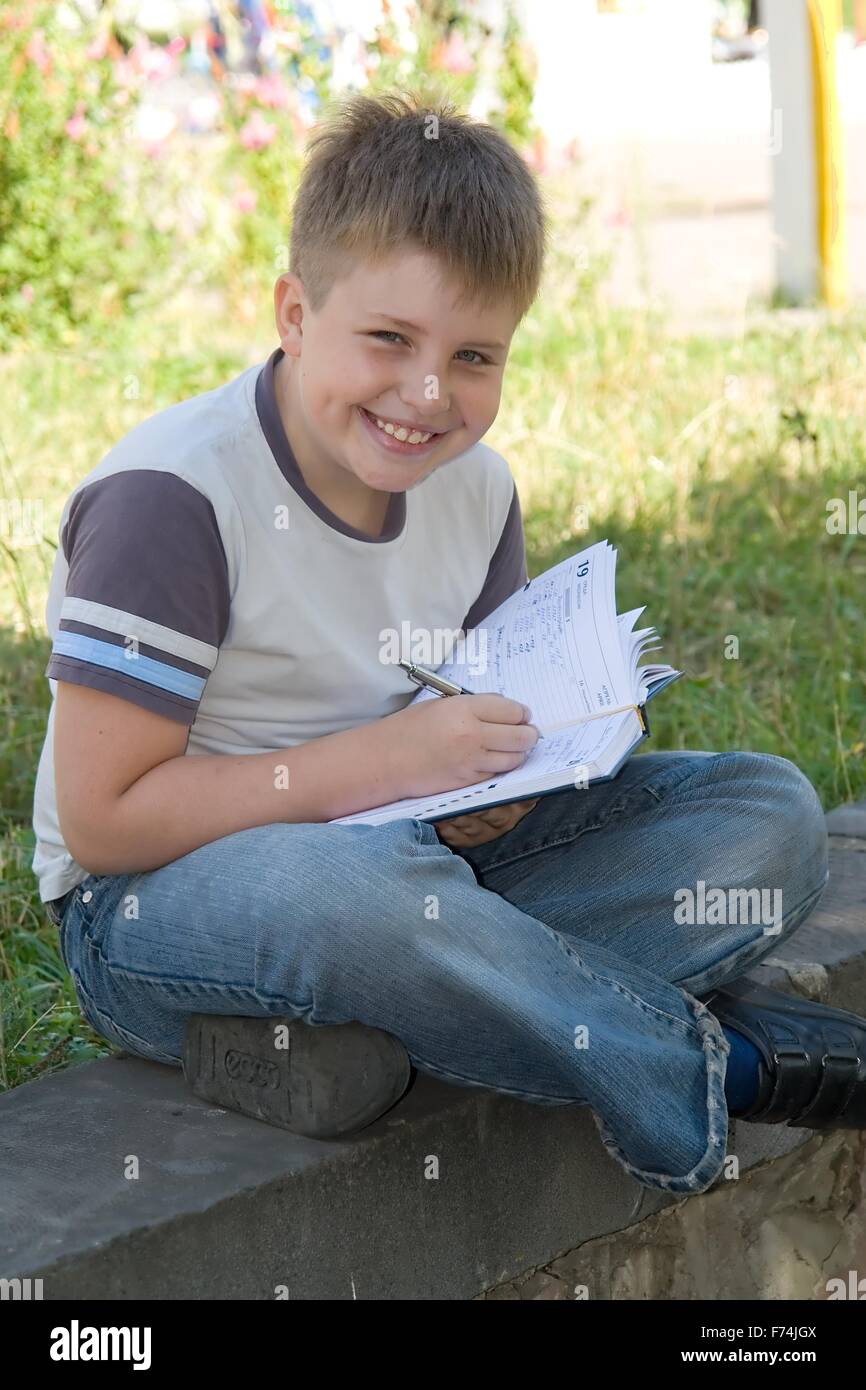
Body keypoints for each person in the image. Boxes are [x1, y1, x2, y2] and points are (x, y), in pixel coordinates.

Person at [34, 91, 865, 1196]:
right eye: (388, 339)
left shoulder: (472, 488)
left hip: (417, 862)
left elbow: (466, 732)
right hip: (162, 905)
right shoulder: (172, 498)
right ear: (291, 311)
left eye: (474, 356)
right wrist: (383, 768)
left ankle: (380, 1020)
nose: (426, 394)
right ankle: (713, 1067)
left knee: (761, 814)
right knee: (345, 893)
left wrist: (500, 783)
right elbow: (104, 821)